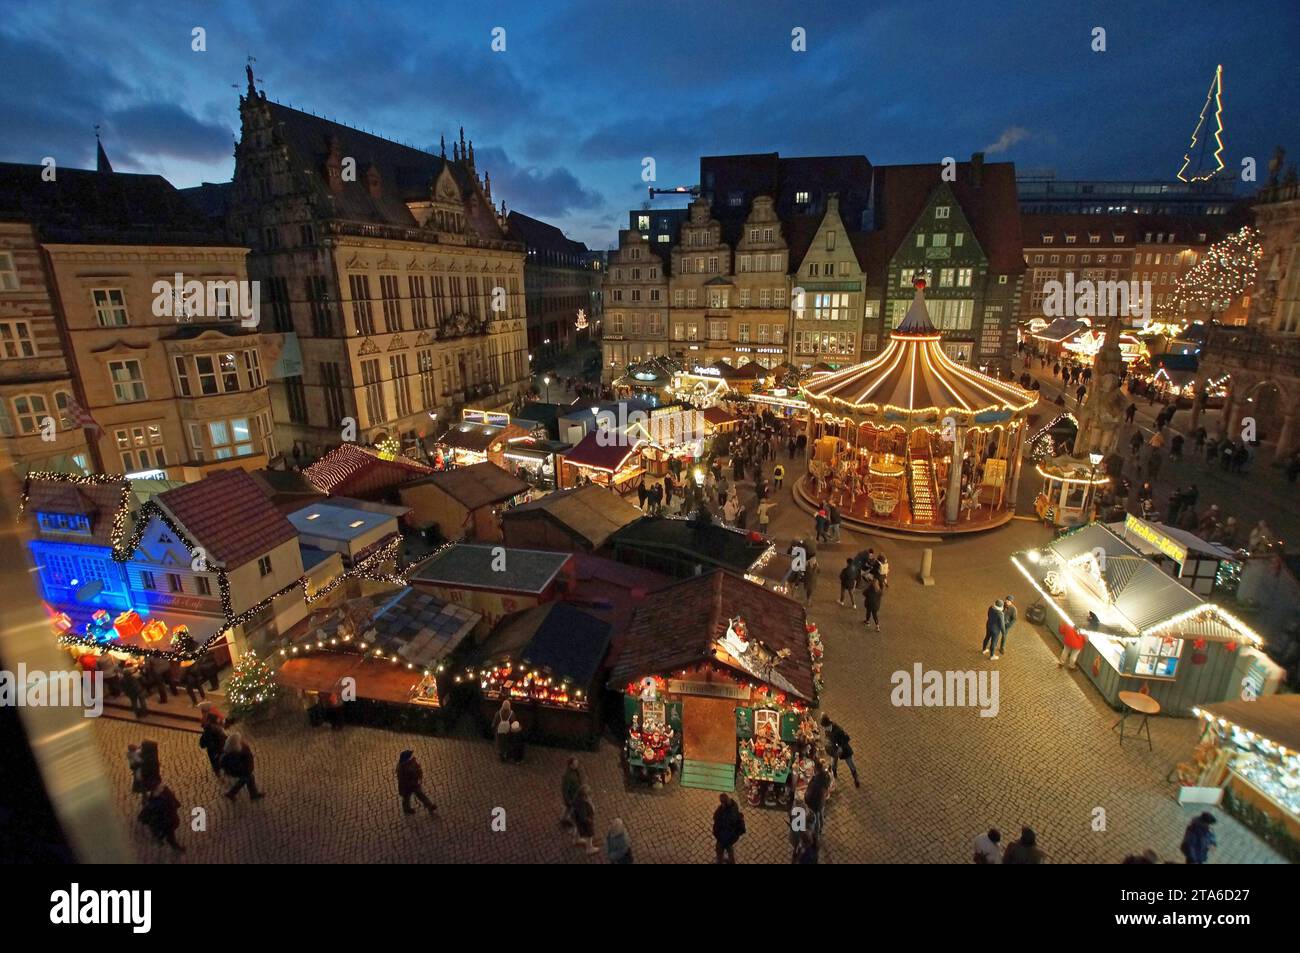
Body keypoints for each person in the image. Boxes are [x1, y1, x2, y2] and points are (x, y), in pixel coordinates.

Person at [139, 781, 184, 852]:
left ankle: (164, 839)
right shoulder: (157, 799)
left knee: (167, 831)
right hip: (166, 820)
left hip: (168, 818)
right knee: (168, 832)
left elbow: (172, 801)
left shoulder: (163, 793)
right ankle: (169, 843)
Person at [220, 732, 264, 801]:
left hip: (243, 769)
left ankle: (233, 793)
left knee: (248, 778)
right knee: (247, 778)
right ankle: (253, 795)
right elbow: (236, 765)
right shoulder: (235, 752)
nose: (241, 740)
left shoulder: (235, 748)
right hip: (241, 770)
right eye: (239, 740)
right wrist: (245, 770)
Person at [820, 715, 860, 787]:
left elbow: (847, 738)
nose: (824, 729)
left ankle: (856, 779)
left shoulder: (838, 730)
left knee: (851, 764)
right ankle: (834, 773)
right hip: (834, 750)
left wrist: (841, 747)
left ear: (828, 724)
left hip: (844, 749)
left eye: (825, 727)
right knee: (833, 764)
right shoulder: (827, 730)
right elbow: (828, 738)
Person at [396, 749, 436, 815]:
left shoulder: (412, 762)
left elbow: (417, 768)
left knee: (421, 794)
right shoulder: (401, 768)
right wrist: (411, 783)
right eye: (410, 755)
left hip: (414, 784)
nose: (412, 756)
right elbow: (402, 779)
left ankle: (429, 805)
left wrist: (419, 774)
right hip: (407, 786)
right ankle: (406, 809)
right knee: (406, 798)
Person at [712, 793, 746, 863]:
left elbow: (717, 820)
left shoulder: (723, 813)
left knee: (719, 850)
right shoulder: (734, 805)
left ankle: (720, 861)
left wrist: (717, 833)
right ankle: (731, 862)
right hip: (731, 837)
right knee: (730, 850)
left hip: (724, 837)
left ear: (722, 802)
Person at [198, 708, 228, 776]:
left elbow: (205, 738)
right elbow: (223, 738)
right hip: (218, 746)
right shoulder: (218, 729)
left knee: (214, 759)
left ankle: (217, 770)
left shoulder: (208, 728)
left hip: (212, 747)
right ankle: (220, 768)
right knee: (219, 757)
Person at [572, 785, 598, 854]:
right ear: (584, 796)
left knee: (577, 829)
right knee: (589, 834)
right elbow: (583, 817)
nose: (590, 796)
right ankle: (589, 848)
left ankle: (576, 840)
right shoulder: (582, 804)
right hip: (584, 822)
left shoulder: (577, 799)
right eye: (589, 795)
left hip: (577, 820)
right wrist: (590, 821)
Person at [560, 757, 583, 827]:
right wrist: (568, 800)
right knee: (568, 808)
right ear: (570, 765)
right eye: (575, 764)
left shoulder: (575, 771)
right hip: (571, 797)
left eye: (577, 763)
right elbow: (565, 790)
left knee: (568, 808)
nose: (577, 765)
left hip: (575, 795)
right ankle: (564, 819)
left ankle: (564, 819)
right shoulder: (567, 776)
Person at [996, 595, 1017, 660]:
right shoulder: (1003, 605)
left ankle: (1002, 648)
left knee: (1004, 636)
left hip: (1006, 625)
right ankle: (994, 645)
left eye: (1008, 601)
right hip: (999, 623)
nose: (1006, 601)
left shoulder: (1013, 609)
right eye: (1006, 600)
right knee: (996, 634)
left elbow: (1014, 619)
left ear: (1011, 602)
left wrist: (1009, 625)